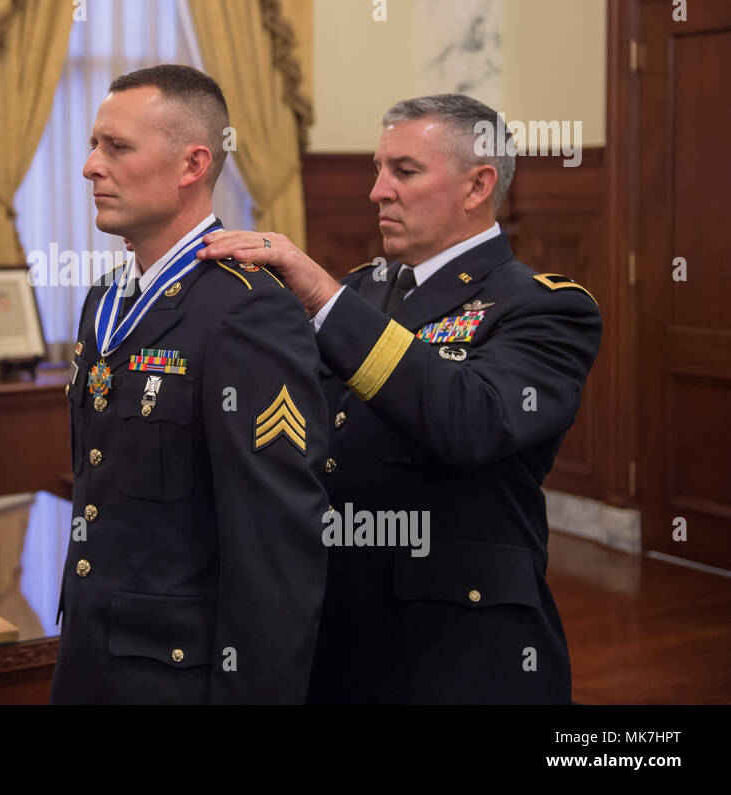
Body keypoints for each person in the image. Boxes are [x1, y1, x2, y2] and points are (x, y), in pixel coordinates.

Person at [199, 93, 602, 703]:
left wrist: (326, 302)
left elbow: (471, 422)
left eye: (404, 171)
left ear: (477, 186)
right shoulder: (363, 290)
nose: (377, 191)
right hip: (336, 626)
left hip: (456, 648)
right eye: (377, 169)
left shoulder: (545, 306)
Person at [50, 65, 329, 704]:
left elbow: (277, 551)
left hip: (179, 676)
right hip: (93, 659)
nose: (91, 166)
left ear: (192, 164)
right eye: (94, 145)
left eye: (116, 147)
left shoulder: (246, 310)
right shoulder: (105, 301)